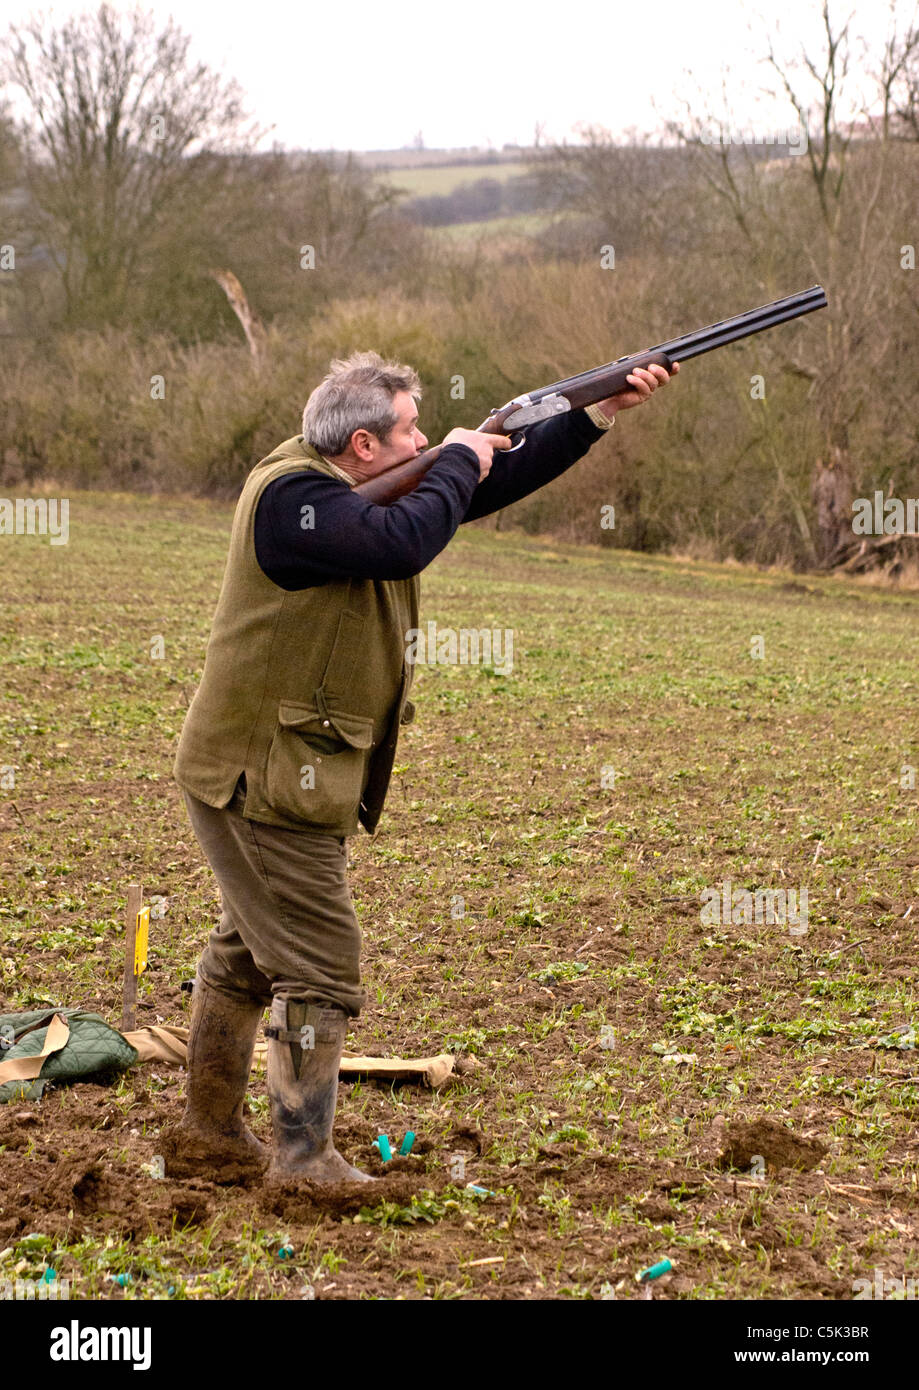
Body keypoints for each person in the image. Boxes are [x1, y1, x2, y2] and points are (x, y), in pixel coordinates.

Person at [162, 349, 678, 1184]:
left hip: (285, 771)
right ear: (364, 447)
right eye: (412, 430)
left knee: (248, 953)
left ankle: (207, 1138)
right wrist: (463, 459)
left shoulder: (339, 479)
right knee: (319, 966)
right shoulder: (292, 503)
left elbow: (470, 492)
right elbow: (405, 541)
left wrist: (594, 413)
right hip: (262, 777)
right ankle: (302, 1161)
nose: (429, 439)